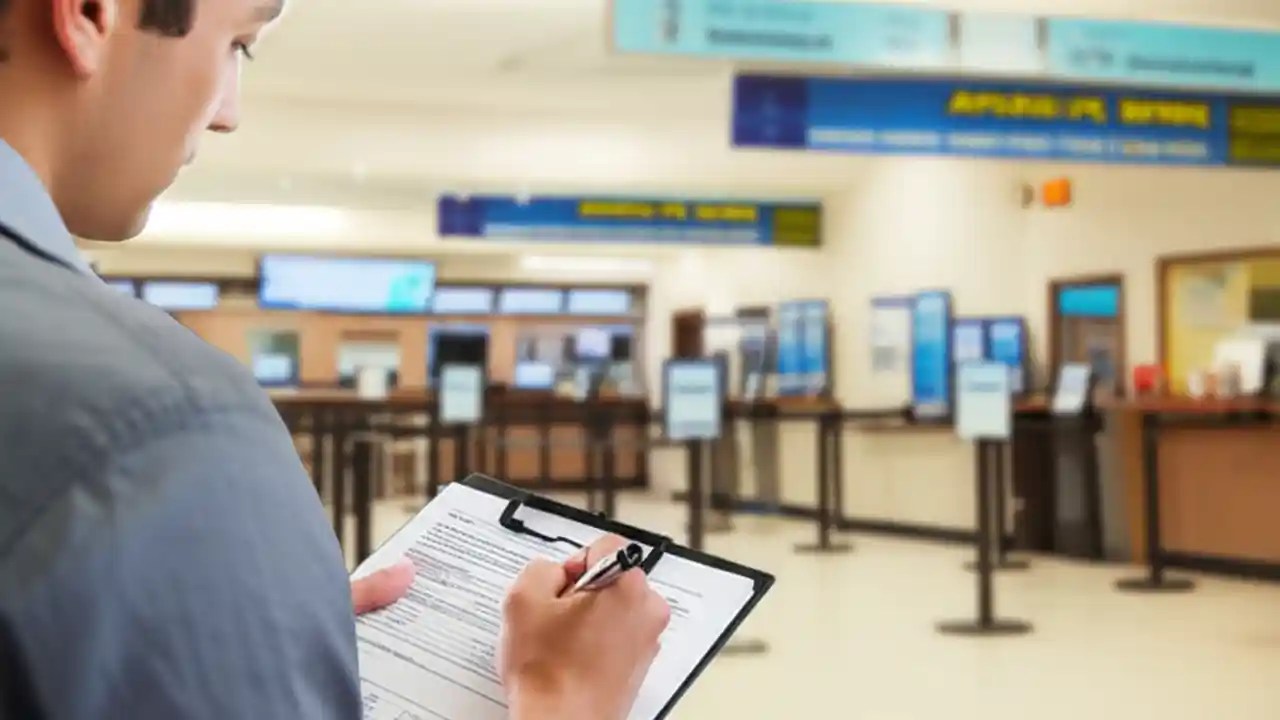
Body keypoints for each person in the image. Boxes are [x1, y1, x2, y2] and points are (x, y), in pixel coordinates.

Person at [0, 1, 669, 719]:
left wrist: (243, 653)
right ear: (89, 13)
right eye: (238, 45)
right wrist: (563, 697)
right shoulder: (163, 428)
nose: (227, 113)